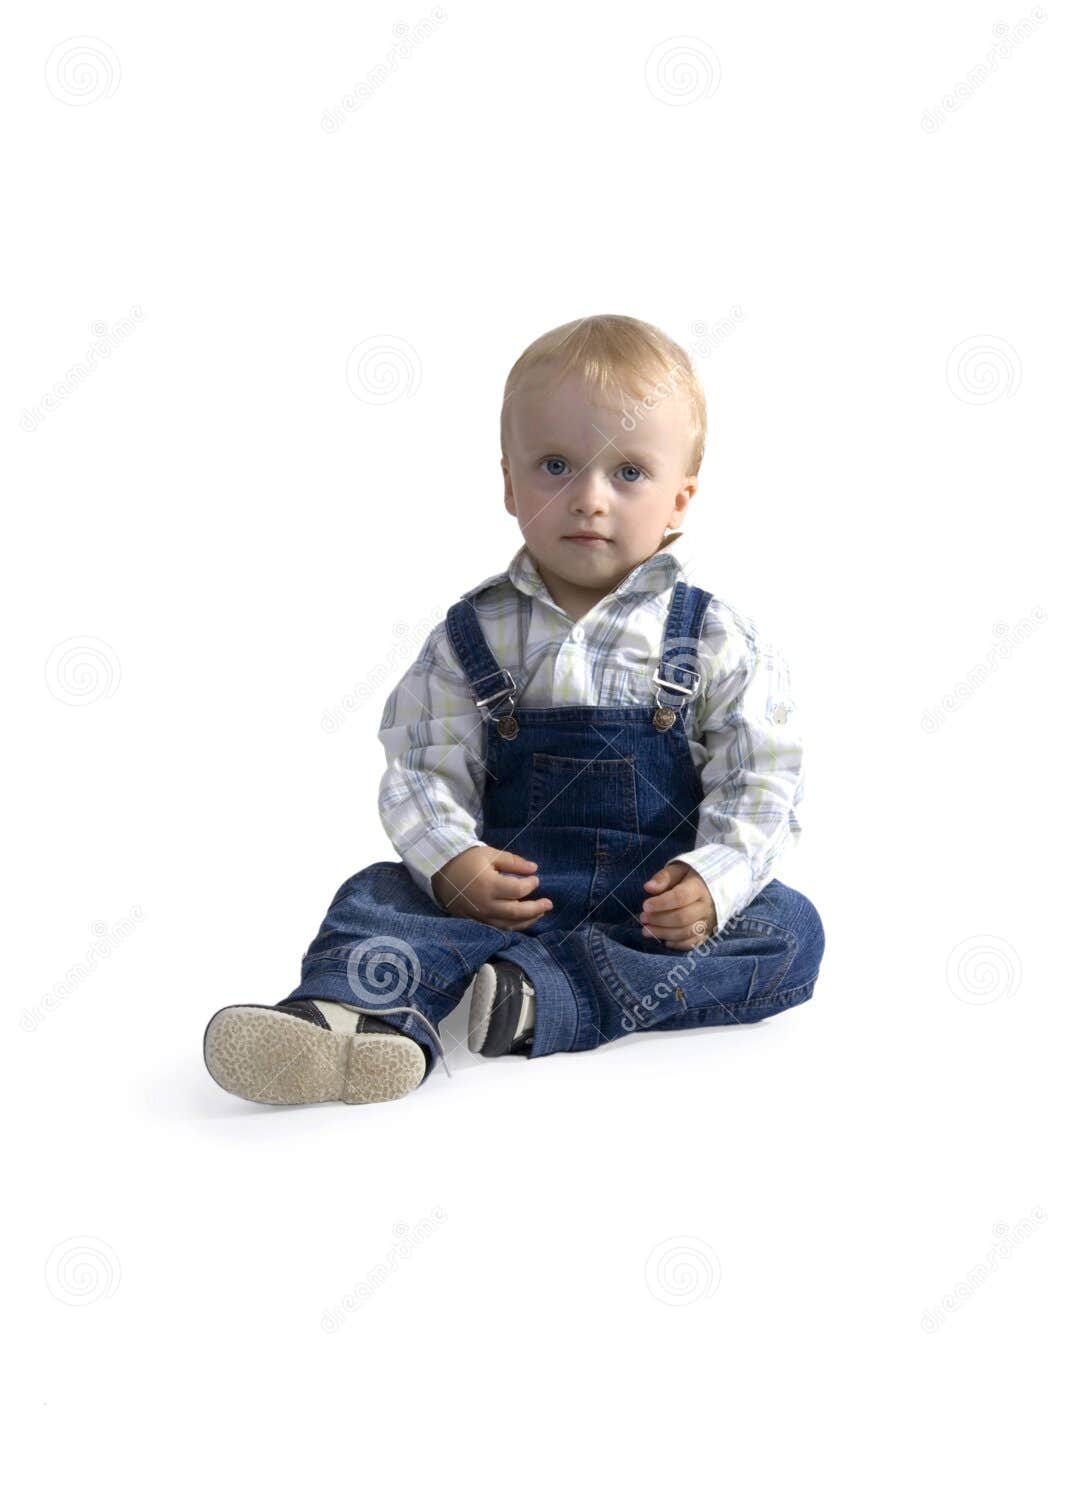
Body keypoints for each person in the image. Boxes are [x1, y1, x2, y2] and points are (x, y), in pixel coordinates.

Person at [203, 314, 825, 1107]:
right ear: (508, 483)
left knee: (788, 929)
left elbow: (761, 777)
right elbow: (423, 769)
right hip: (503, 899)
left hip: (653, 914)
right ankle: (345, 1019)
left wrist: (713, 881)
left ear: (680, 499)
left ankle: (538, 999)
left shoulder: (713, 637)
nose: (589, 500)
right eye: (556, 466)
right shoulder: (471, 635)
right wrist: (451, 863)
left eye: (628, 473)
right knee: (378, 892)